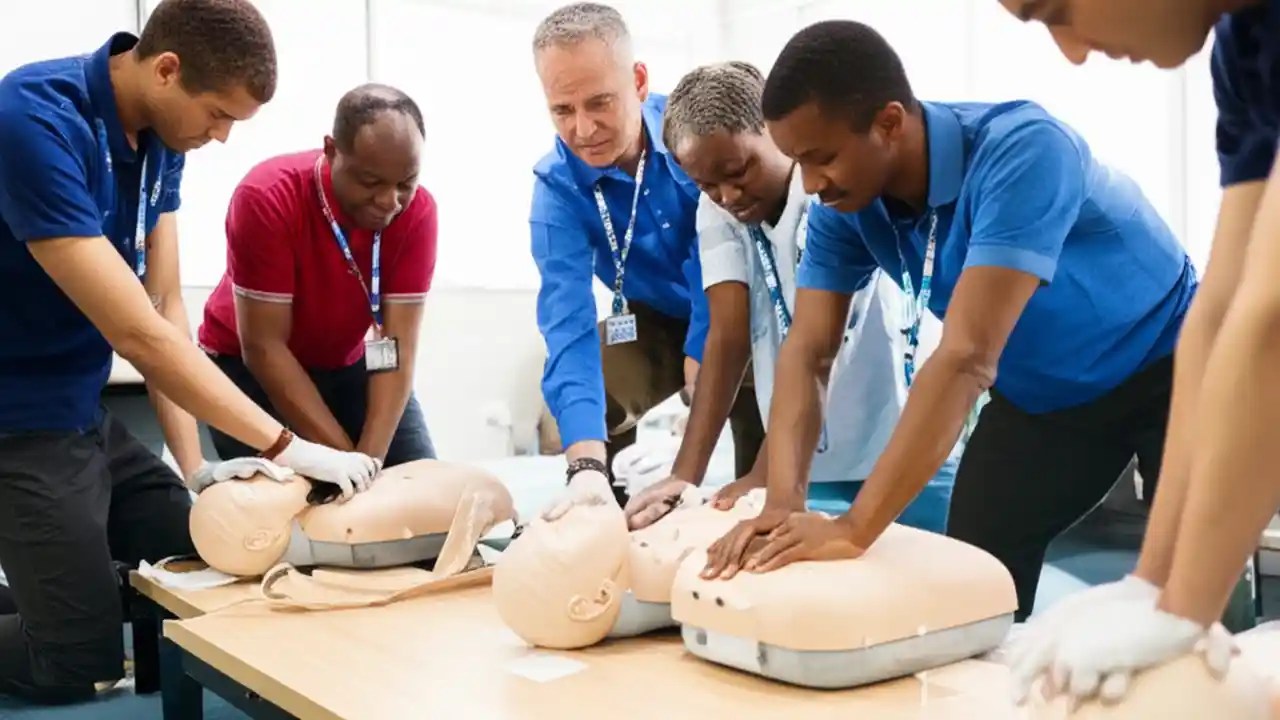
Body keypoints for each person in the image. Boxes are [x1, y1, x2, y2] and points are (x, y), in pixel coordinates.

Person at [699, 20, 1199, 626]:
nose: (810, 183)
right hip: (1044, 398)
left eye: (822, 157)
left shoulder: (1024, 149)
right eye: (798, 161)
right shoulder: (842, 207)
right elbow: (808, 352)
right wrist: (783, 502)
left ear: (888, 123)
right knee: (974, 584)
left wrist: (854, 529)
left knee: (1190, 598)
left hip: (1171, 363)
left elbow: (967, 357)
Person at [0, 0, 378, 702]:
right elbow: (134, 334)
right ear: (167, 70)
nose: (224, 137)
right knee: (78, 663)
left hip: (79, 413)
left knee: (204, 547)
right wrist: (285, 446)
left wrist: (196, 464)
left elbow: (165, 307)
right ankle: (67, 599)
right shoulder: (32, 118)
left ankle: (66, 581)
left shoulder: (162, 137)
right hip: (16, 422)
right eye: (219, 115)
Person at [993, 0, 1280, 707]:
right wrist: (1150, 584)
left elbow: (1272, 318)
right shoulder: (1245, 46)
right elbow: (1219, 311)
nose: (1073, 51)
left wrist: (1187, 610)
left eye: (1056, 9)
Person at [622, 60, 959, 533]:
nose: (727, 194)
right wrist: (685, 476)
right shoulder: (717, 207)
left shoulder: (831, 196)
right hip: (803, 449)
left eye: (739, 170)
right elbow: (728, 335)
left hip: (896, 432)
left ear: (774, 132)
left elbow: (827, 346)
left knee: (949, 575)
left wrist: (763, 474)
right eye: (706, 184)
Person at [528, 2, 765, 518]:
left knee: (754, 426)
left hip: (739, 304)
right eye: (562, 110)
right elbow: (565, 326)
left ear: (638, 81)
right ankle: (600, 505)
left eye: (599, 103)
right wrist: (582, 467)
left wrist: (702, 352)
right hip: (649, 316)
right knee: (598, 385)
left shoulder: (693, 135)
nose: (584, 129)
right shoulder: (556, 190)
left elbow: (725, 248)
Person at [197, 83, 438, 468]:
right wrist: (344, 463)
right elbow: (264, 348)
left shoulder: (417, 213)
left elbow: (396, 345)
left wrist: (369, 461)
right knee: (299, 501)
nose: (390, 202)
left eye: (406, 182)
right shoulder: (267, 197)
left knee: (419, 486)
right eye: (372, 182)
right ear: (331, 151)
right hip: (247, 367)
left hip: (348, 364)